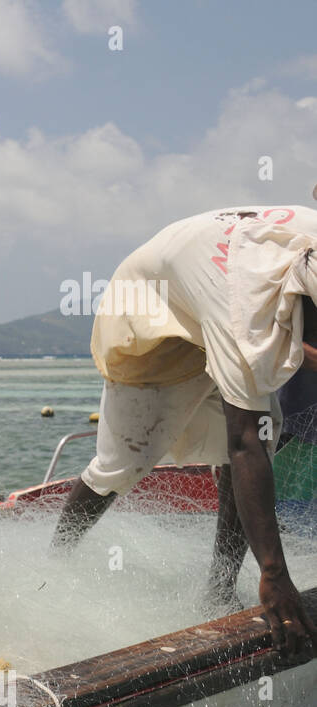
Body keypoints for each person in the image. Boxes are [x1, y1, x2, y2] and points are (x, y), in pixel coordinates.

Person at [52, 205, 317, 658]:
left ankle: (218, 590)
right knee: (124, 463)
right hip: (152, 311)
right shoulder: (246, 314)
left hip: (212, 284)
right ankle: (51, 565)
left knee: (263, 435)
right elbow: (243, 443)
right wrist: (277, 575)